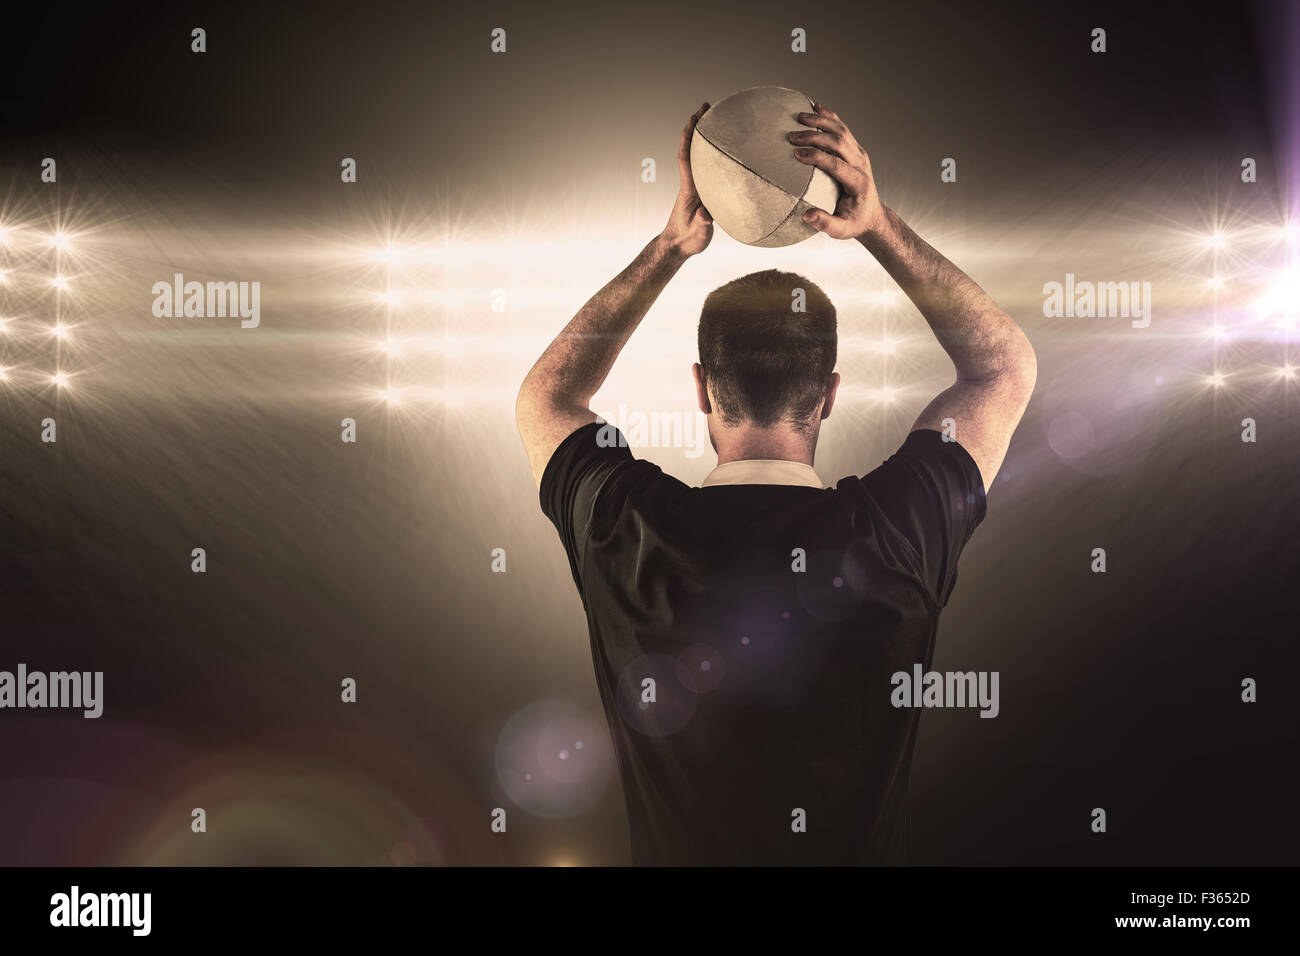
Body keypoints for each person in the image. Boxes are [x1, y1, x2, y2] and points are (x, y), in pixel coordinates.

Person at [515, 101, 1036, 864]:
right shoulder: (898, 533)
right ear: (828, 393)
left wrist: (670, 247)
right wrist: (877, 225)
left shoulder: (625, 532)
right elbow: (1004, 367)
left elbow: (546, 401)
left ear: (701, 388)